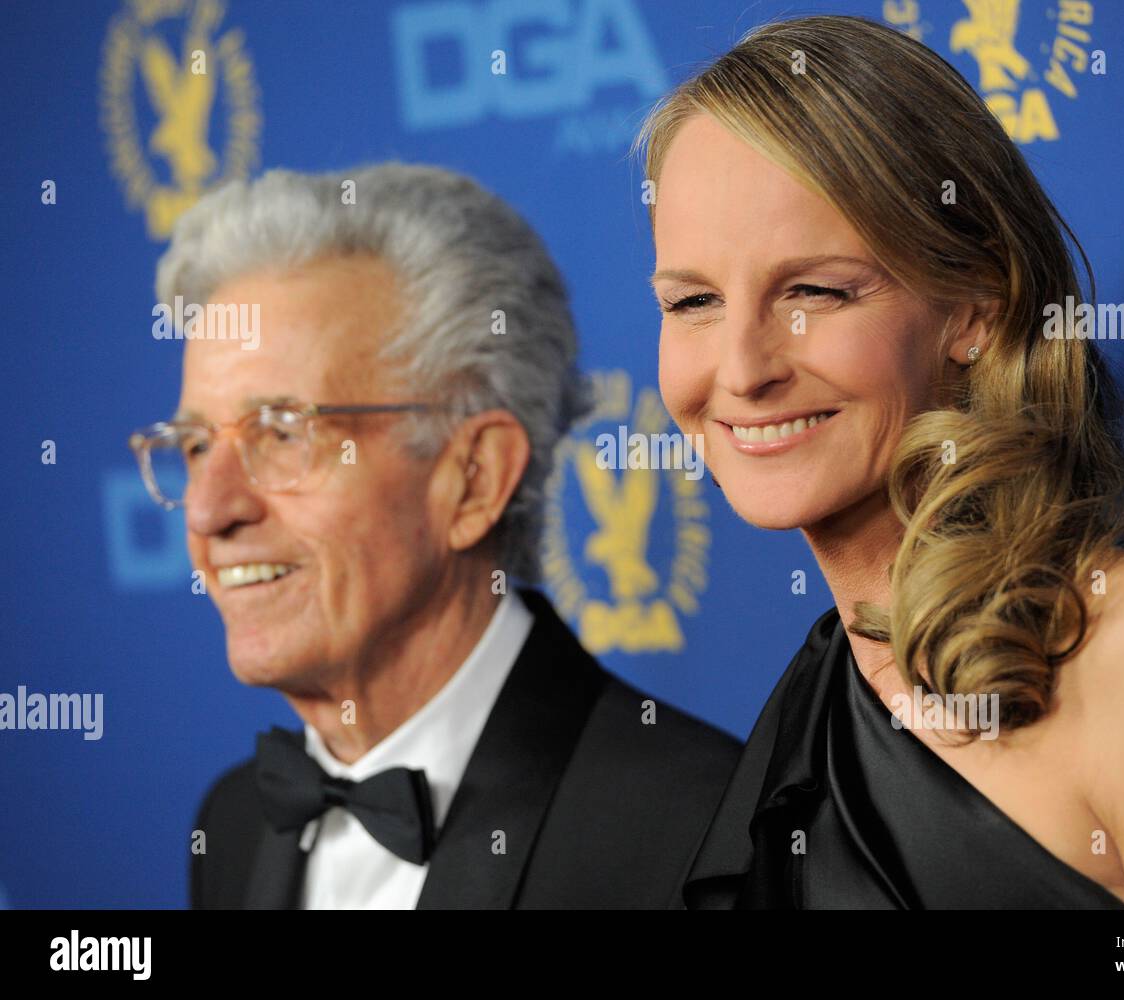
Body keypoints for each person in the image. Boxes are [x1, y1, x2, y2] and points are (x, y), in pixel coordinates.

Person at [635, 15, 1124, 908]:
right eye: (695, 301)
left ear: (975, 308)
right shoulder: (816, 700)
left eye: (816, 292)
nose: (745, 368)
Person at [132, 162, 740, 909]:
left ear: (474, 478)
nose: (207, 510)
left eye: (283, 433)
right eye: (195, 445)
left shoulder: (703, 835)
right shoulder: (234, 826)